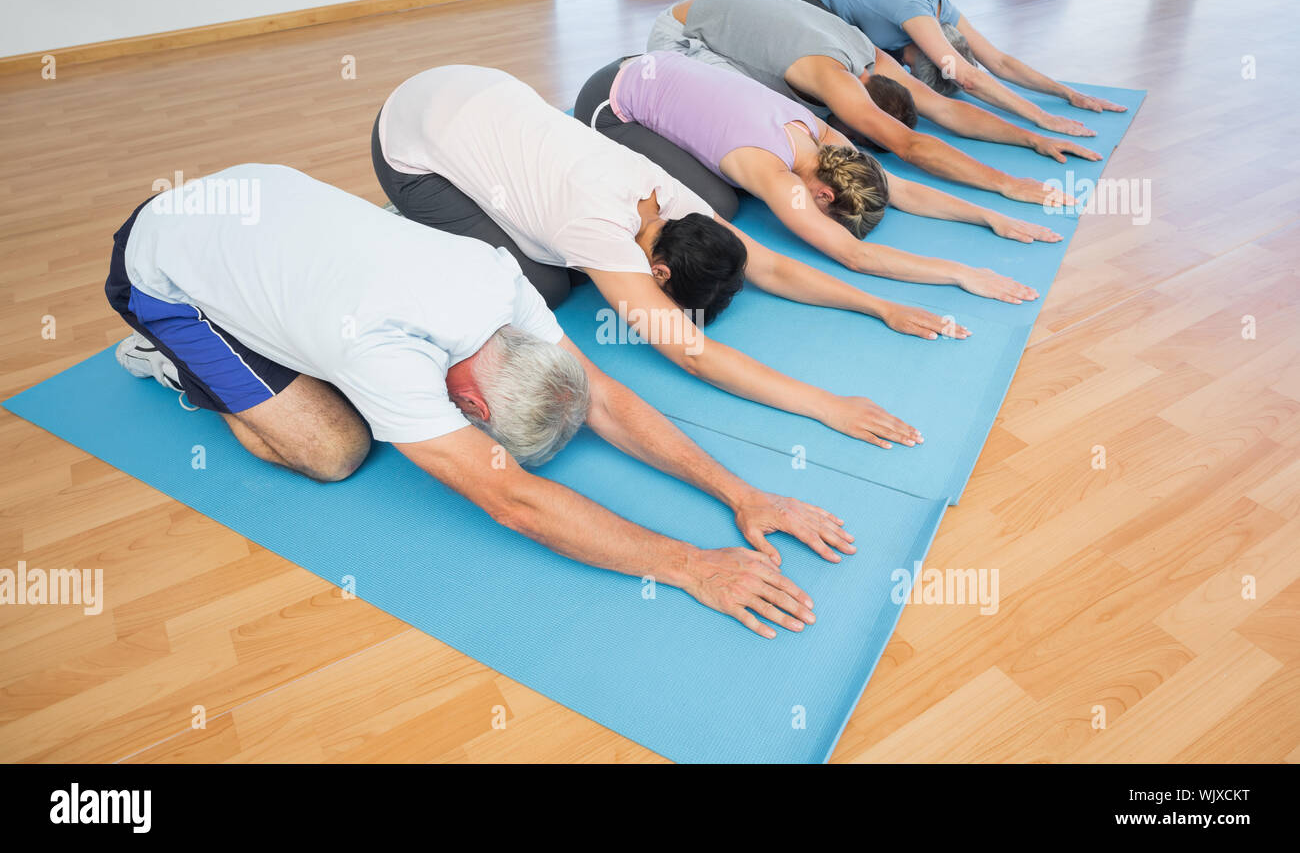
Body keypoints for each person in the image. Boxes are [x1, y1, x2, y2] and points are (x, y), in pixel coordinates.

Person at [106, 163, 858, 638]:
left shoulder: (492, 275)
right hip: (161, 262)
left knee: (346, 383)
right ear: (465, 399)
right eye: (474, 423)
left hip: (264, 193)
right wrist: (690, 565)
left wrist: (742, 493)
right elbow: (513, 502)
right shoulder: (386, 354)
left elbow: (605, 396)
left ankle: (271, 339)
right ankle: (172, 359)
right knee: (333, 449)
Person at [374, 64, 969, 451]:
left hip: (482, 87)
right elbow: (693, 356)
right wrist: (825, 405)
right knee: (542, 288)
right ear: (656, 275)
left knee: (556, 267)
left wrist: (879, 306)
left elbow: (770, 264)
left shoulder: (664, 196)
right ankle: (405, 222)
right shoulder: (596, 230)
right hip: (407, 142)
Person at [576, 51, 1059, 304]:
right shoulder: (777, 175)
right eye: (830, 214)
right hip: (610, 100)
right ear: (823, 193)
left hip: (653, 65)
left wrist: (988, 214)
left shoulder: (821, 136)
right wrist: (961, 273)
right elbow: (853, 255)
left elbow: (898, 188)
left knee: (724, 194)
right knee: (715, 210)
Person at [647, 0, 1098, 206]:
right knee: (772, 133)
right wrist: (1005, 183)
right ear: (856, 112)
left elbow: (945, 107)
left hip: (717, 6)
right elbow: (910, 144)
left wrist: (1032, 136)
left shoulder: (871, 57)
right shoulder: (831, 79)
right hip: (682, 36)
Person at [772, 0, 1127, 131]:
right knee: (849, 70)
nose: (906, 65)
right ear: (925, 53)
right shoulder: (911, 9)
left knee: (874, 62)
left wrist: (1067, 94)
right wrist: (1040, 118)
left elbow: (998, 62)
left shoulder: (943, 12)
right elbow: (968, 78)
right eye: (912, 65)